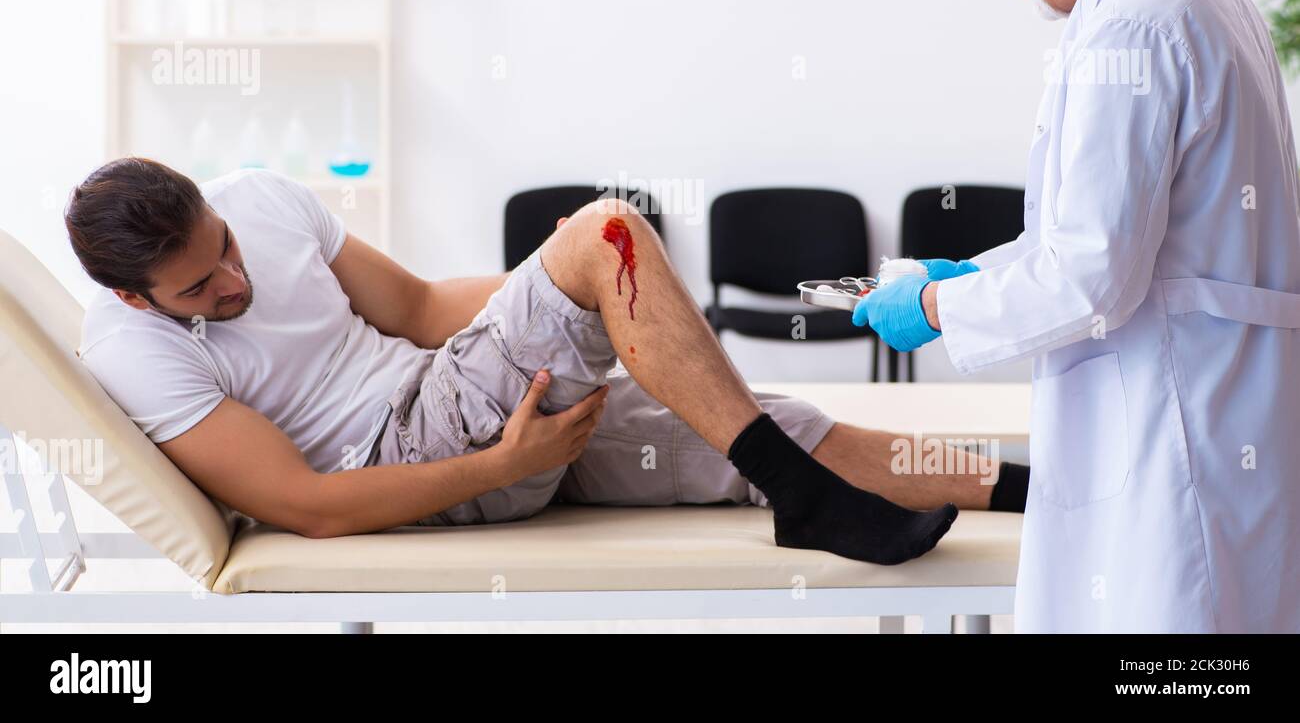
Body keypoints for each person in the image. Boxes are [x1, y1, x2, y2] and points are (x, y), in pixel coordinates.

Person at [66, 159, 1029, 567]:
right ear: (135, 296)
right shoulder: (130, 351)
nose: (235, 279)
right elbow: (306, 505)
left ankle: (1041, 484)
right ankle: (803, 502)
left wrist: (615, 300)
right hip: (409, 461)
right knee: (605, 225)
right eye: (201, 289)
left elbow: (418, 307)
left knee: (775, 426)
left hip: (460, 394)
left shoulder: (260, 197)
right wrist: (501, 466)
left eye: (226, 246)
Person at [857, 0, 1300, 630]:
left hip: (1176, 440)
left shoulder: (1132, 26)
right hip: (1222, 417)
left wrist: (935, 306)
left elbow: (1091, 276)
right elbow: (1099, 239)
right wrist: (970, 276)